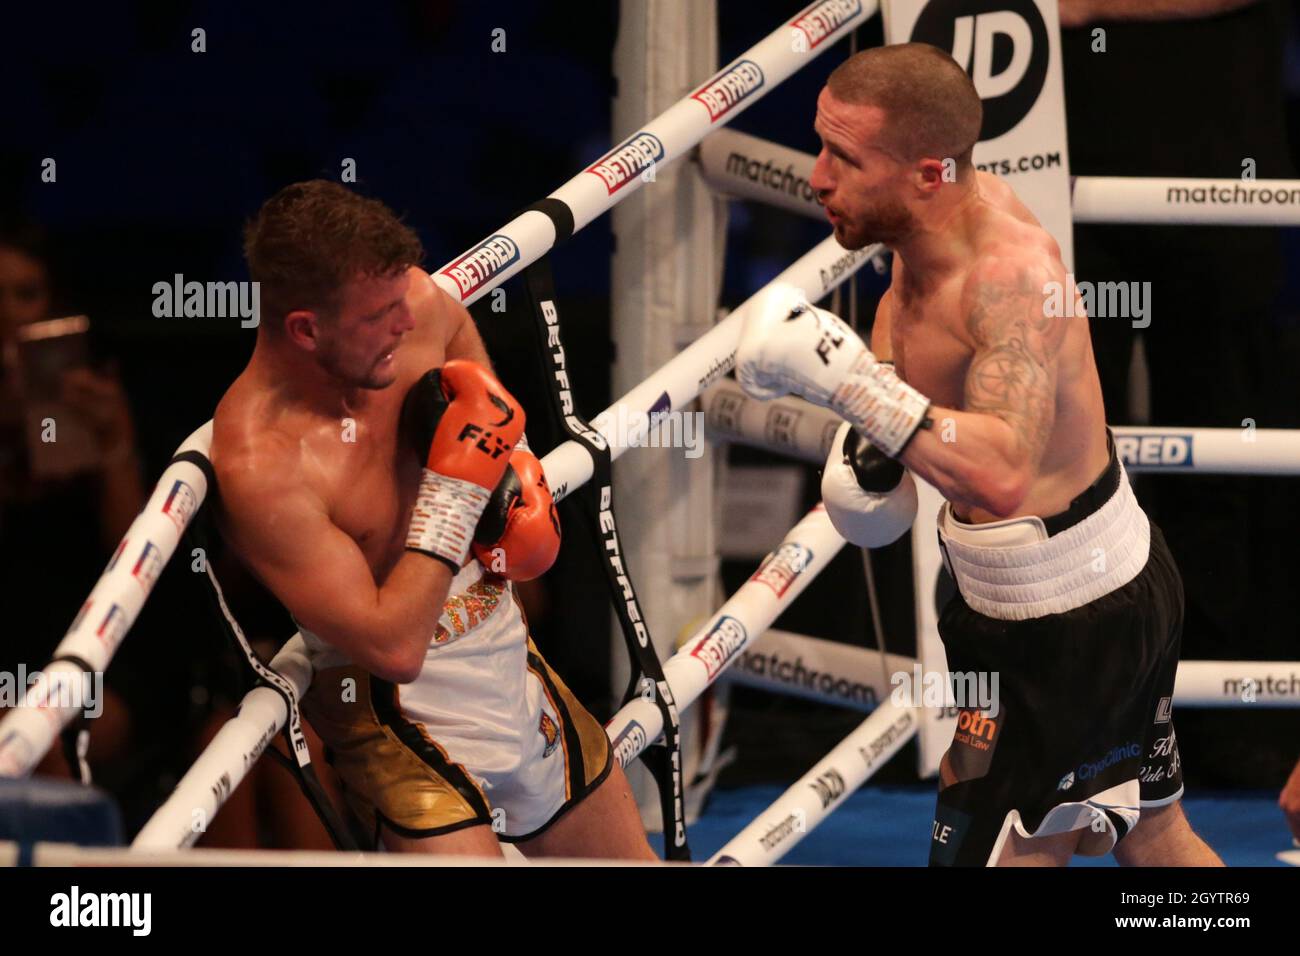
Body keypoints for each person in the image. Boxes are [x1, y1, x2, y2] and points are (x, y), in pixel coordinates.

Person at [734, 44, 1222, 866]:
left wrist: (854, 386)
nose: (816, 176)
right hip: (1030, 594)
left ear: (930, 173)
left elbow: (1000, 472)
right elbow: (912, 364)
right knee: (1153, 831)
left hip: (1069, 620)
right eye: (821, 146)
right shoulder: (924, 221)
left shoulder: (1010, 276)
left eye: (844, 158)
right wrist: (872, 437)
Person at [211, 180, 653, 858]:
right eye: (379, 316)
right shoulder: (264, 464)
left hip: (508, 658)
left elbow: (460, 336)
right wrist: (456, 492)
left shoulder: (412, 303)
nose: (405, 323)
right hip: (394, 716)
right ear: (305, 328)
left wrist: (513, 460)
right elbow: (392, 648)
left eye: (404, 299)